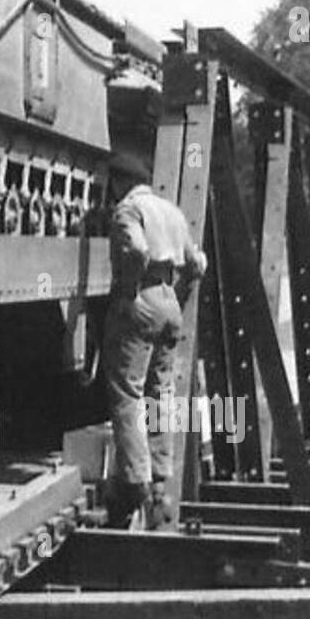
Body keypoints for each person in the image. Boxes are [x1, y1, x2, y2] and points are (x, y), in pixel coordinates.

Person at [102, 155, 207, 530]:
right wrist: (177, 297)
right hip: (169, 301)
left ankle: (133, 481)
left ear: (118, 184)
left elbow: (135, 250)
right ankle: (161, 474)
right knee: (160, 391)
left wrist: (129, 292)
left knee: (126, 391)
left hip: (142, 298)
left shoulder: (128, 209)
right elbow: (197, 263)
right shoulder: (171, 211)